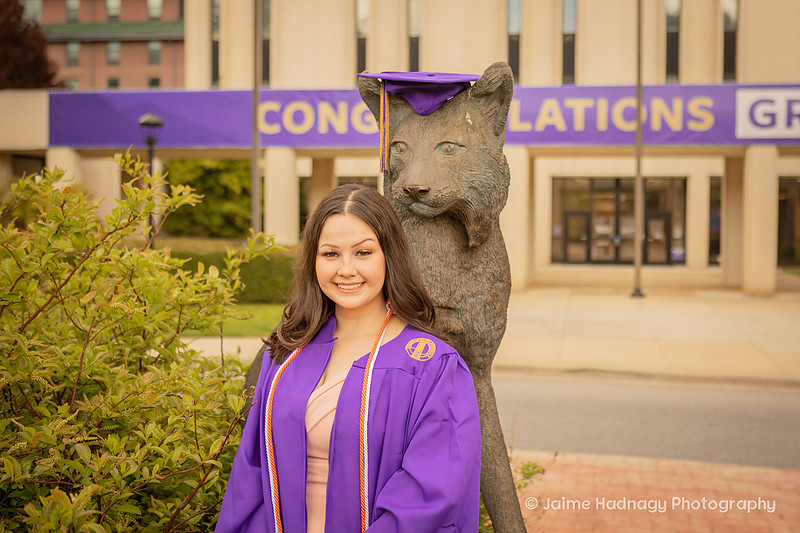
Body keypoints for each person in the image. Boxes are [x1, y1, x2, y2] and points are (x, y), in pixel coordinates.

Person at [216, 183, 481, 532]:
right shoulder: (287, 354)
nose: (346, 269)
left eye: (363, 252)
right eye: (330, 254)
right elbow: (250, 477)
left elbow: (430, 494)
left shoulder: (431, 366)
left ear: (389, 255)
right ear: (314, 261)